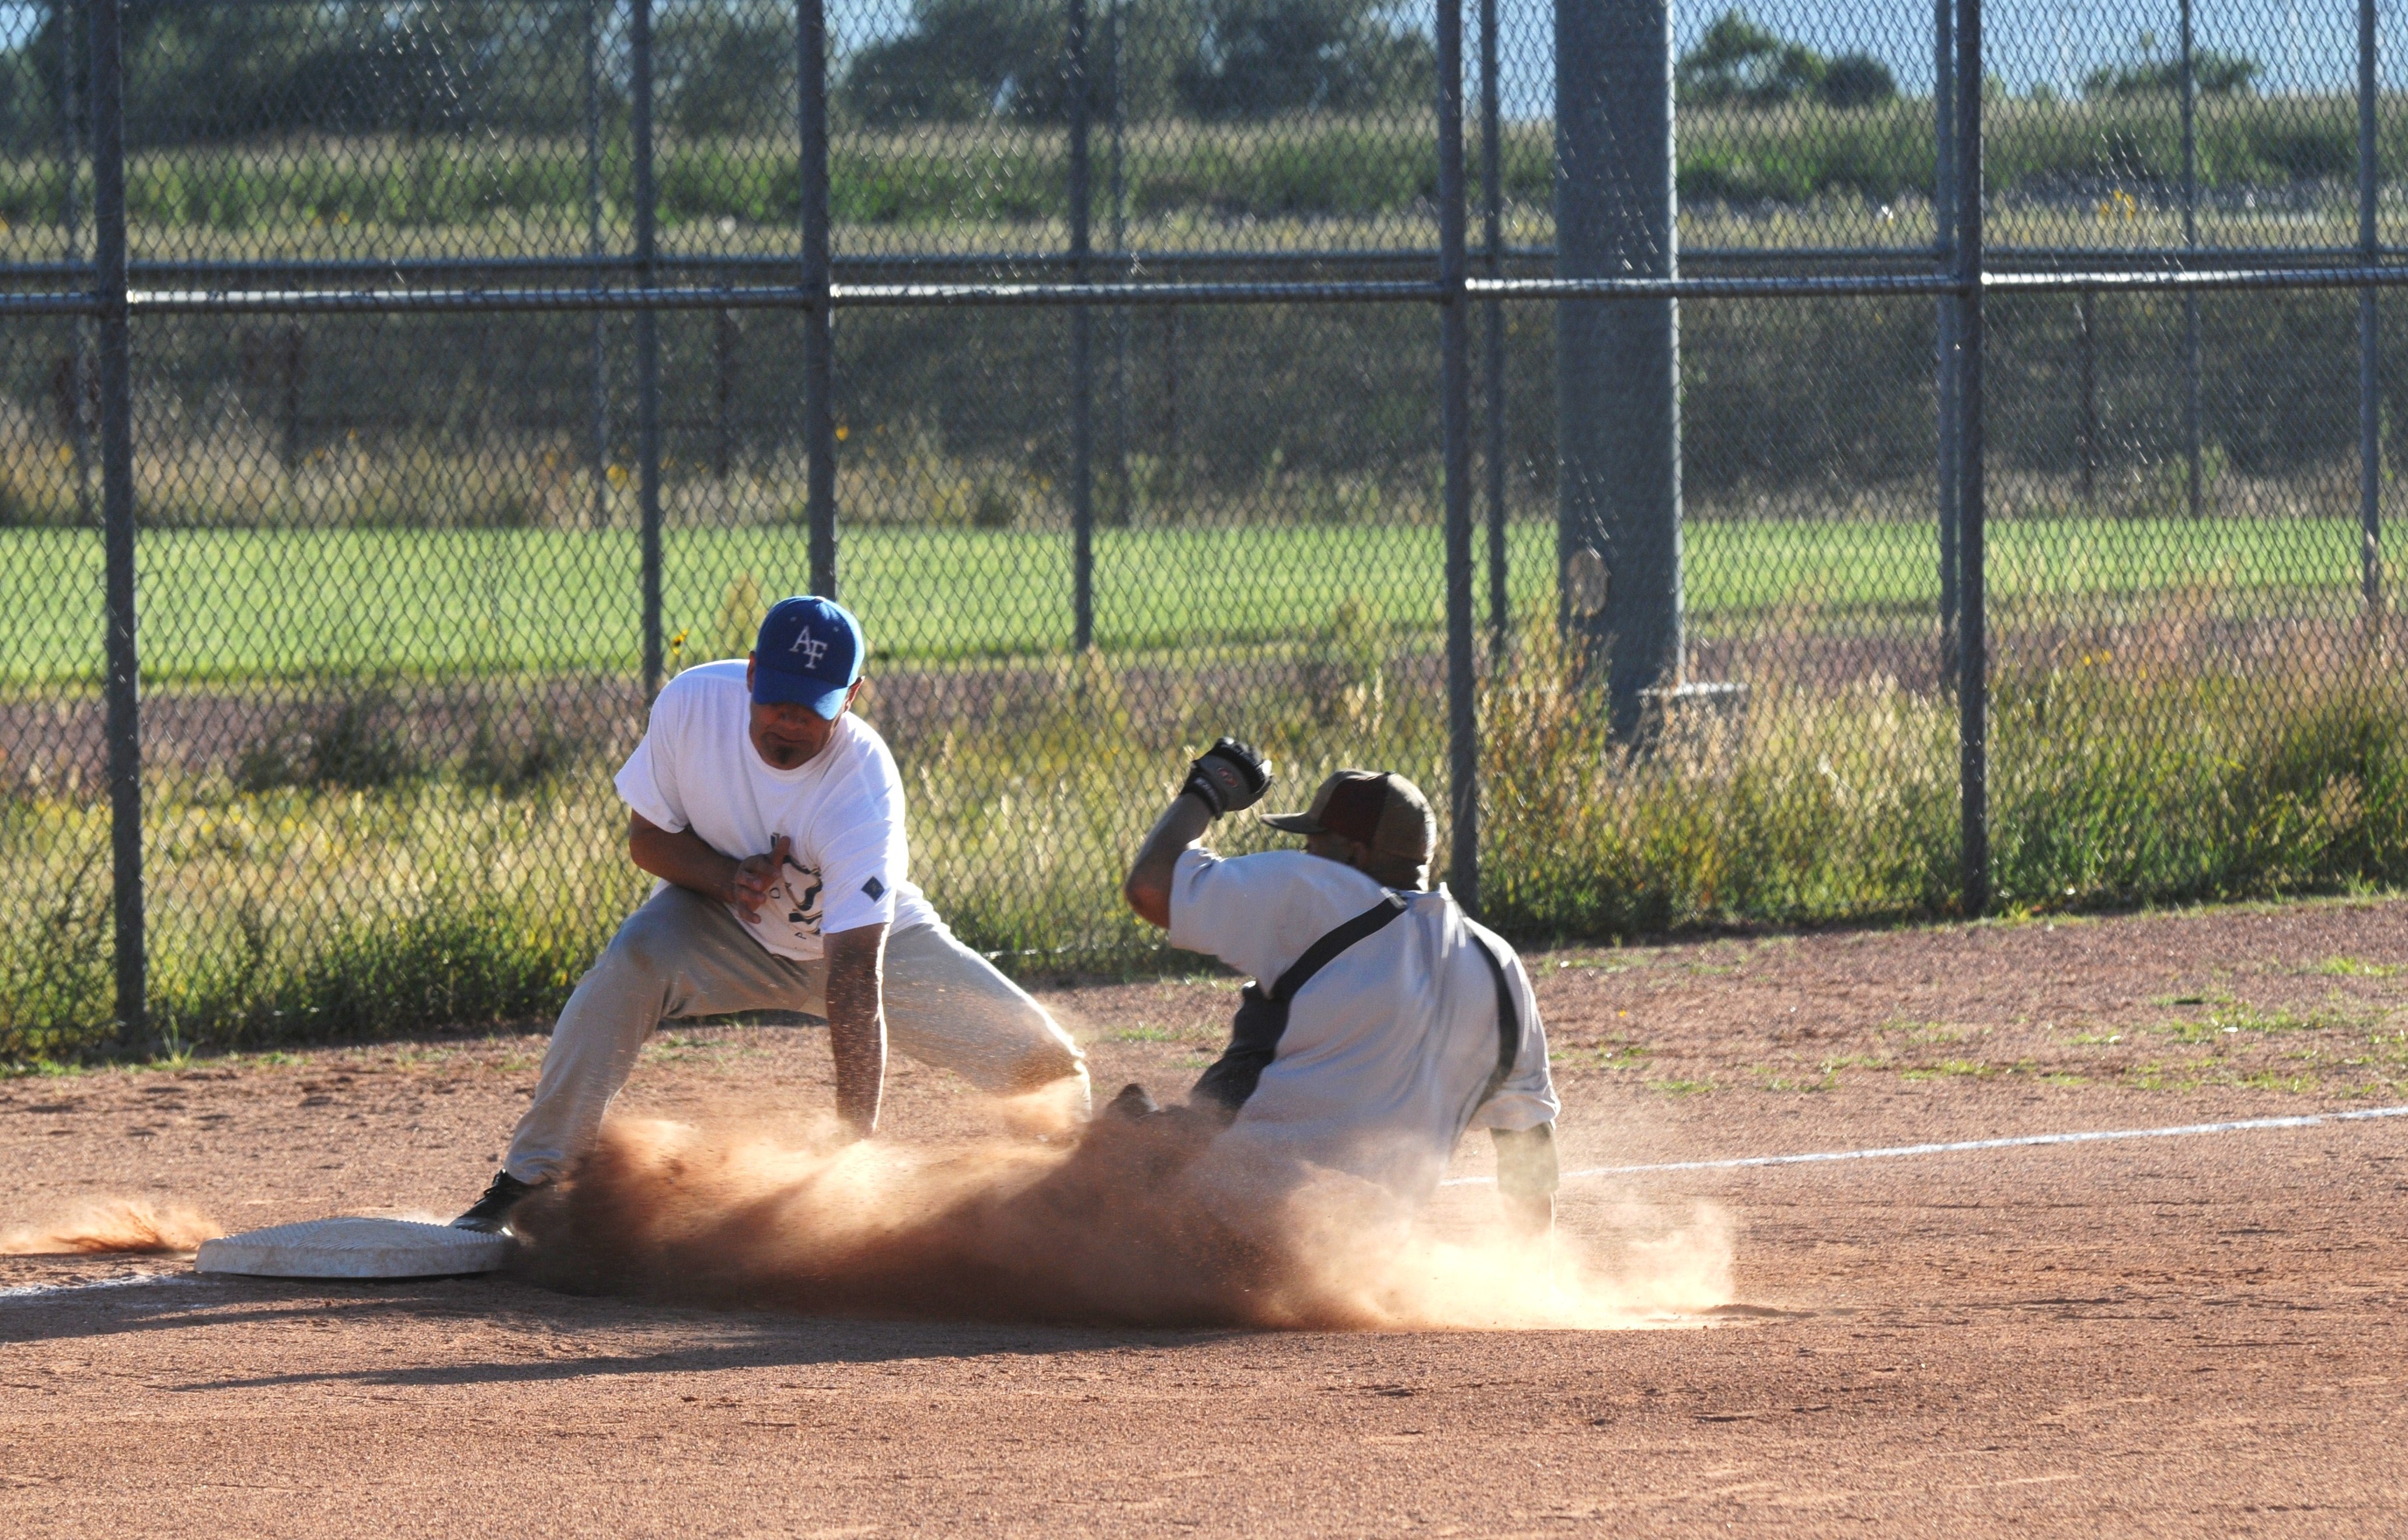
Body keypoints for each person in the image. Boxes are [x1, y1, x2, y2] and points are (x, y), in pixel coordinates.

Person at [453, 595, 1090, 1234]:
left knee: (1048, 1067)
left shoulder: (861, 785)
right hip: (728, 927)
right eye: (777, 698)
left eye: (810, 708)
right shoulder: (692, 705)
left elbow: (854, 979)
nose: (786, 722)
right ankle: (530, 1184)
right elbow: (647, 840)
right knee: (632, 961)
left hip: (864, 948)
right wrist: (727, 879)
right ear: (753, 673)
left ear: (851, 696)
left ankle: (1063, 1216)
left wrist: (850, 1151)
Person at [1116, 740, 1559, 1236]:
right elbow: (1528, 1135)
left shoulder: (1318, 895)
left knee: (1122, 1131)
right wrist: (1535, 1273)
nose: (1306, 850)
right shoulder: (1497, 964)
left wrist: (1206, 793)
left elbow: (1149, 887)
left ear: (1353, 853)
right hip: (1354, 1263)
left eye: (1316, 839)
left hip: (1213, 1227)